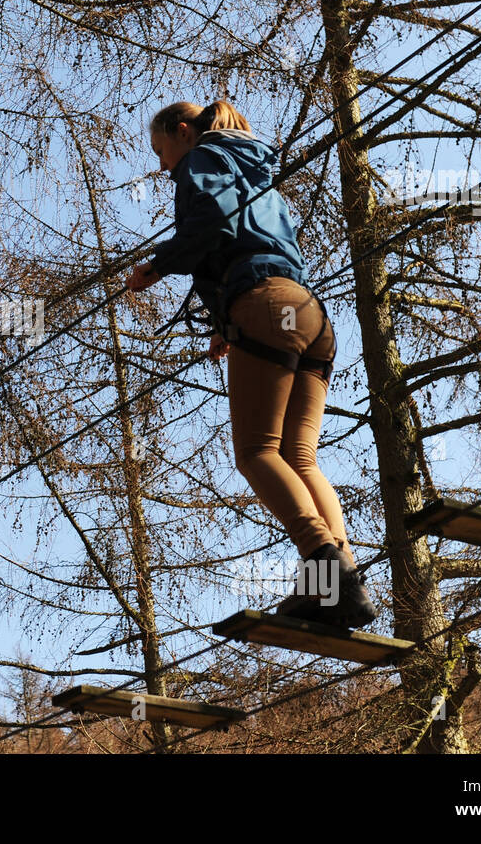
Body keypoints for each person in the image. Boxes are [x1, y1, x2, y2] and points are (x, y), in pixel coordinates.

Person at [124, 99, 376, 628]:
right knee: (300, 458)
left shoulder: (203, 159)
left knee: (257, 453)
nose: (163, 165)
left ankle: (324, 566)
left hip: (266, 305)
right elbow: (252, 243)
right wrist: (225, 322)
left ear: (183, 131)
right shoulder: (256, 168)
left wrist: (156, 267)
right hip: (309, 315)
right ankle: (340, 582)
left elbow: (213, 225)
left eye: (161, 150)